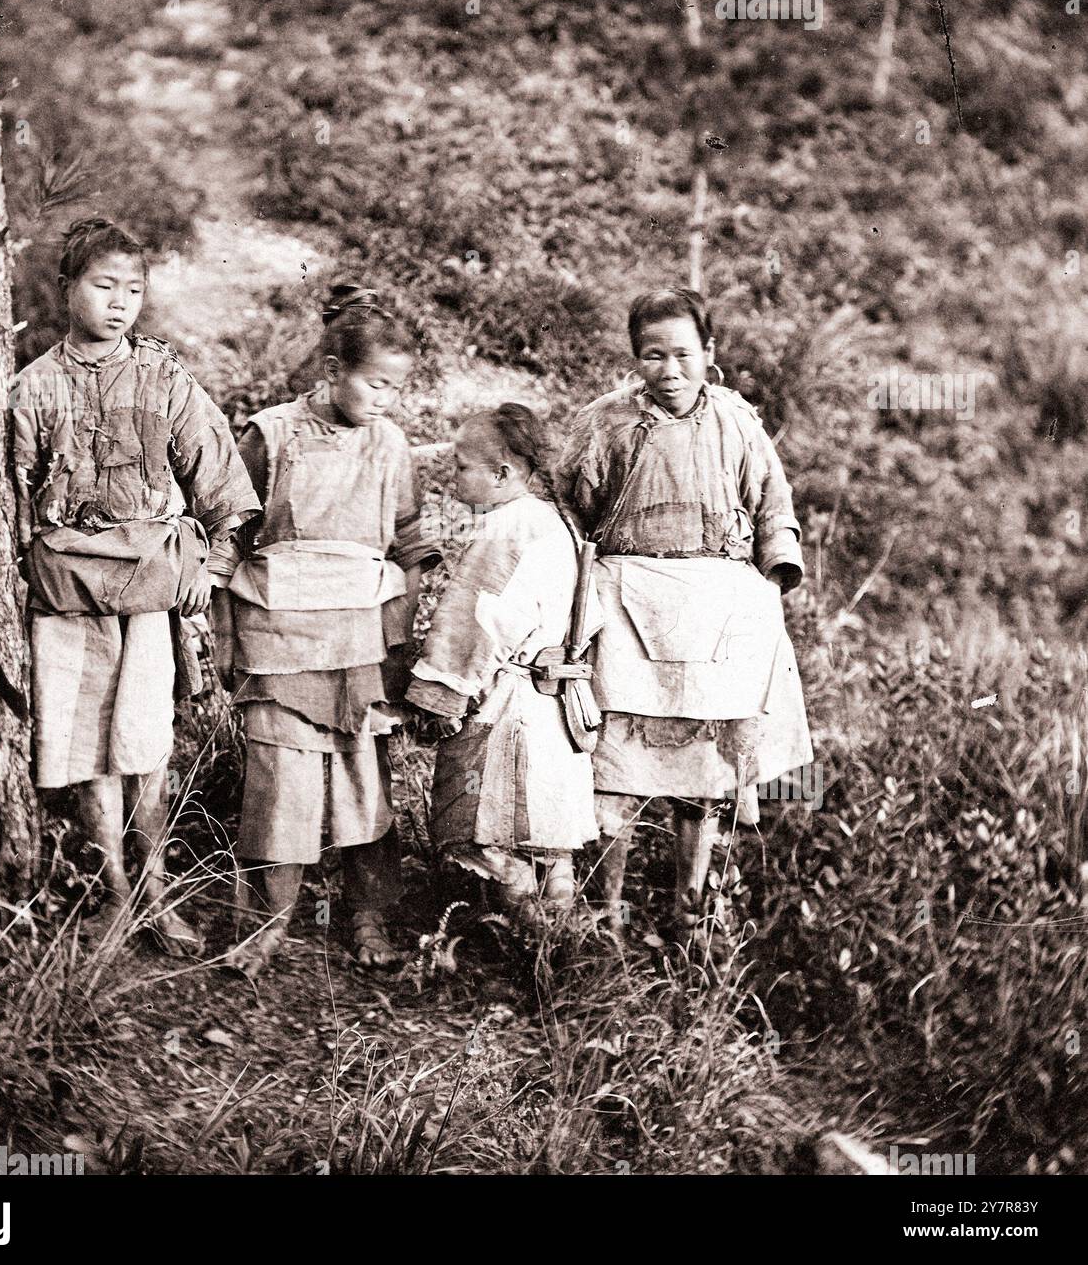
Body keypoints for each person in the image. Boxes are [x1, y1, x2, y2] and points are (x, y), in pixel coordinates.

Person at [0, 218, 260, 954]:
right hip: (66, 595)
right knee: (86, 750)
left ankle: (160, 892)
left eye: (133, 290)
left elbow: (221, 480)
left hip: (148, 591)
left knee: (144, 744)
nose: (119, 303)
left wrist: (213, 564)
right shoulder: (32, 388)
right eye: (103, 286)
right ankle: (115, 894)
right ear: (67, 288)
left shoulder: (166, 378)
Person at [557, 288, 812, 934]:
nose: (668, 371)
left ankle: (688, 910)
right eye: (651, 356)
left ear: (708, 353)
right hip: (625, 608)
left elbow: (771, 502)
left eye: (681, 354)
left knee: (703, 779)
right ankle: (604, 911)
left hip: (715, 613)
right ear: (634, 358)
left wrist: (773, 567)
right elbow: (567, 506)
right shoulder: (604, 424)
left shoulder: (735, 421)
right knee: (613, 771)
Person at [209, 285, 439, 975]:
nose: (384, 400)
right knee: (279, 781)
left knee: (363, 776)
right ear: (333, 368)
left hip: (361, 643)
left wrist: (400, 631)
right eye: (374, 383)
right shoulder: (270, 434)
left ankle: (365, 914)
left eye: (396, 388)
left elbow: (407, 538)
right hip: (278, 638)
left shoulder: (390, 444)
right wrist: (220, 635)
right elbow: (229, 534)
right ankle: (268, 923)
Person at [406, 404, 600, 926]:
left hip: (510, 701)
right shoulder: (558, 522)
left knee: (496, 837)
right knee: (550, 845)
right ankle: (561, 941)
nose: (453, 474)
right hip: (555, 701)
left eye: (463, 466)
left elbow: (476, 621)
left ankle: (528, 944)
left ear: (503, 474)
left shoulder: (507, 530)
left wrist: (443, 692)